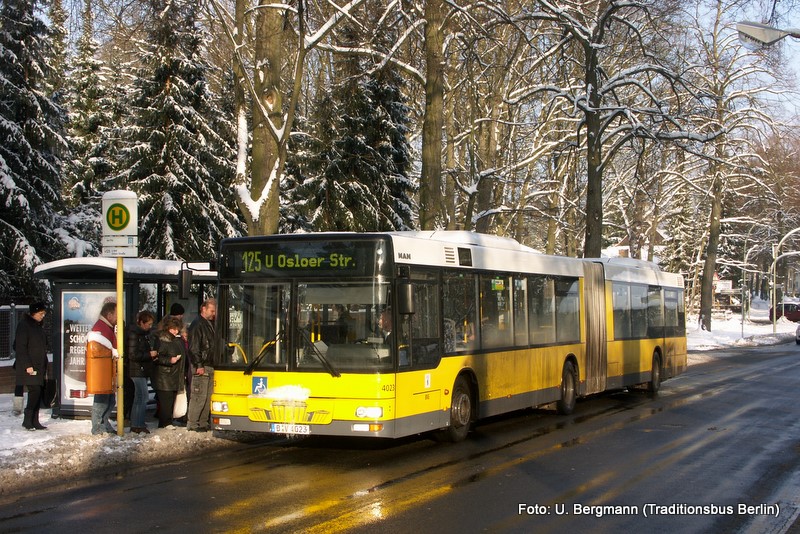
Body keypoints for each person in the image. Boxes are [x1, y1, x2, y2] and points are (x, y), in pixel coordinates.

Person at [14, 302, 49, 430]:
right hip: (29, 367)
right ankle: (28, 420)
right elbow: (20, 347)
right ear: (33, 312)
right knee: (35, 391)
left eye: (43, 314)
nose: (42, 316)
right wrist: (28, 365)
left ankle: (35, 420)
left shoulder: (38, 326)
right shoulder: (24, 326)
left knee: (38, 392)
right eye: (40, 313)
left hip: (39, 365)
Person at [186, 298, 216, 432]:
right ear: (203, 309)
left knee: (208, 395)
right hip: (201, 364)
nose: (213, 313)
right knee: (199, 396)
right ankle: (193, 423)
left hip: (208, 364)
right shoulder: (197, 325)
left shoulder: (208, 324)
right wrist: (198, 364)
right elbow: (194, 347)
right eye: (212, 310)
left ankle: (203, 422)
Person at [88, 301, 118, 435]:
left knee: (110, 400)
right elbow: (96, 348)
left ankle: (104, 424)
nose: (118, 318)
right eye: (117, 314)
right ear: (109, 314)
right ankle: (97, 427)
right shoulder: (100, 329)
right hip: (102, 373)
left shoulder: (106, 327)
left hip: (107, 372)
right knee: (101, 401)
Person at [152, 317, 187, 429]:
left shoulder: (177, 340)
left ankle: (168, 421)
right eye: (173, 329)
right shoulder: (162, 340)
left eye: (177, 329)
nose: (175, 331)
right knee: (166, 401)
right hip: (165, 376)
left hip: (174, 375)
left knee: (171, 400)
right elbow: (157, 357)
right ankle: (165, 422)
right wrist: (170, 360)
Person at [125, 310, 156, 434]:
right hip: (137, 370)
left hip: (140, 369)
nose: (149, 327)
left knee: (140, 397)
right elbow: (133, 354)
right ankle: (137, 424)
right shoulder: (135, 335)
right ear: (141, 323)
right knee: (142, 396)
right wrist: (149, 354)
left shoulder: (142, 334)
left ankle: (138, 423)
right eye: (148, 324)